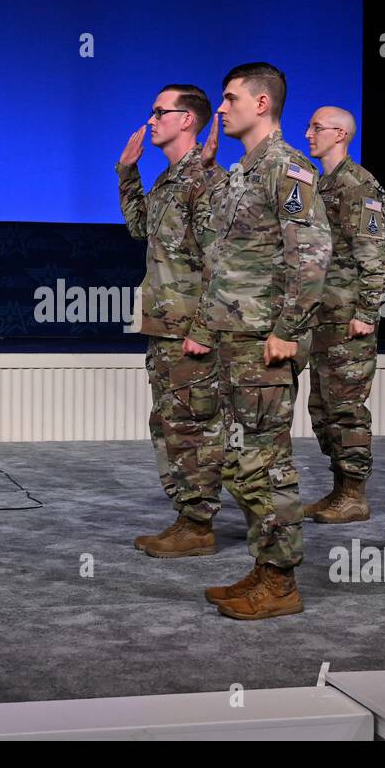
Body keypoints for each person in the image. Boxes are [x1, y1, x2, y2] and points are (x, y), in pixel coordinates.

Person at [187, 63, 332, 619]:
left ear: (262, 103)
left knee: (265, 461)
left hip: (261, 340)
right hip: (232, 334)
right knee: (240, 458)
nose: (220, 110)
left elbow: (311, 255)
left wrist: (287, 331)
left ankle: (281, 583)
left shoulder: (288, 168)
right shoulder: (242, 172)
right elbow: (222, 260)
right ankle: (264, 566)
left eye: (228, 99)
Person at [119, 85, 227, 556]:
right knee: (168, 422)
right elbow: (138, 226)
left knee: (192, 423)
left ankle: (199, 523)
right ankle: (187, 515)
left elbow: (222, 261)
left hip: (190, 330)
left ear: (187, 120)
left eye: (160, 111)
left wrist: (203, 329)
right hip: (165, 325)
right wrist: (127, 172)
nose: (152, 119)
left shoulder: (203, 180)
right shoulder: (170, 181)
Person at [301, 106, 385, 523]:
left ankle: (355, 493)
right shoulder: (321, 185)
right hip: (322, 316)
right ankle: (339, 488)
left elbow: (375, 257)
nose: (308, 134)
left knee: (347, 407)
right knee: (323, 408)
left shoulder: (359, 186)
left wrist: (367, 312)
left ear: (340, 134)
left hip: (347, 317)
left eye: (317, 128)